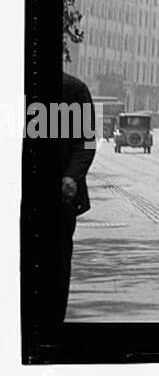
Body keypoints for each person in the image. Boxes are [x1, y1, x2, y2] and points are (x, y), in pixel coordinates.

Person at [21, 73, 98, 339]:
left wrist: (71, 176)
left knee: (55, 267)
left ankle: (50, 330)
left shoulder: (73, 90)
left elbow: (85, 143)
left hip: (58, 198)